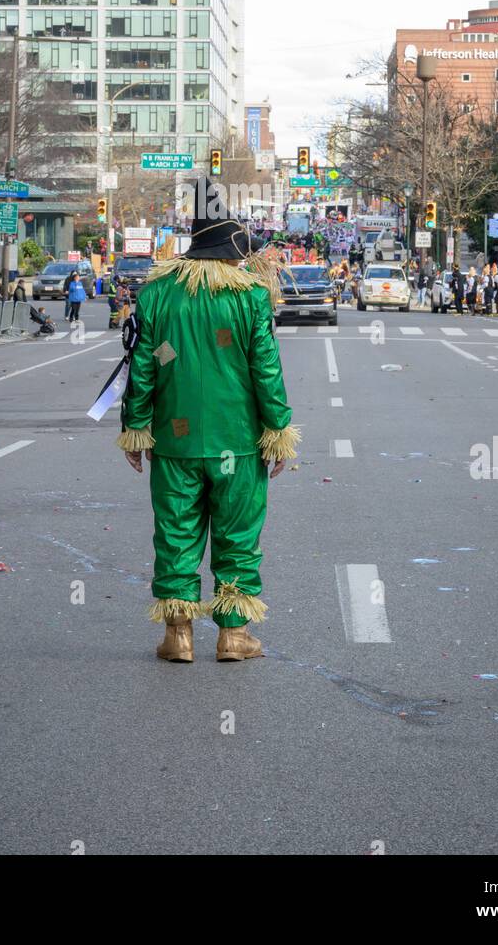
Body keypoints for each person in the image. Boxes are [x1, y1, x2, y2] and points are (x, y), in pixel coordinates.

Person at [117, 175, 298, 664]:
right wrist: (277, 431)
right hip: (236, 442)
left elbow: (147, 366)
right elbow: (266, 371)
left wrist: (135, 429)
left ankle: (179, 635)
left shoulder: (156, 294)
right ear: (232, 247)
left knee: (176, 533)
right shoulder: (251, 297)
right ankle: (233, 637)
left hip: (175, 442)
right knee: (237, 537)